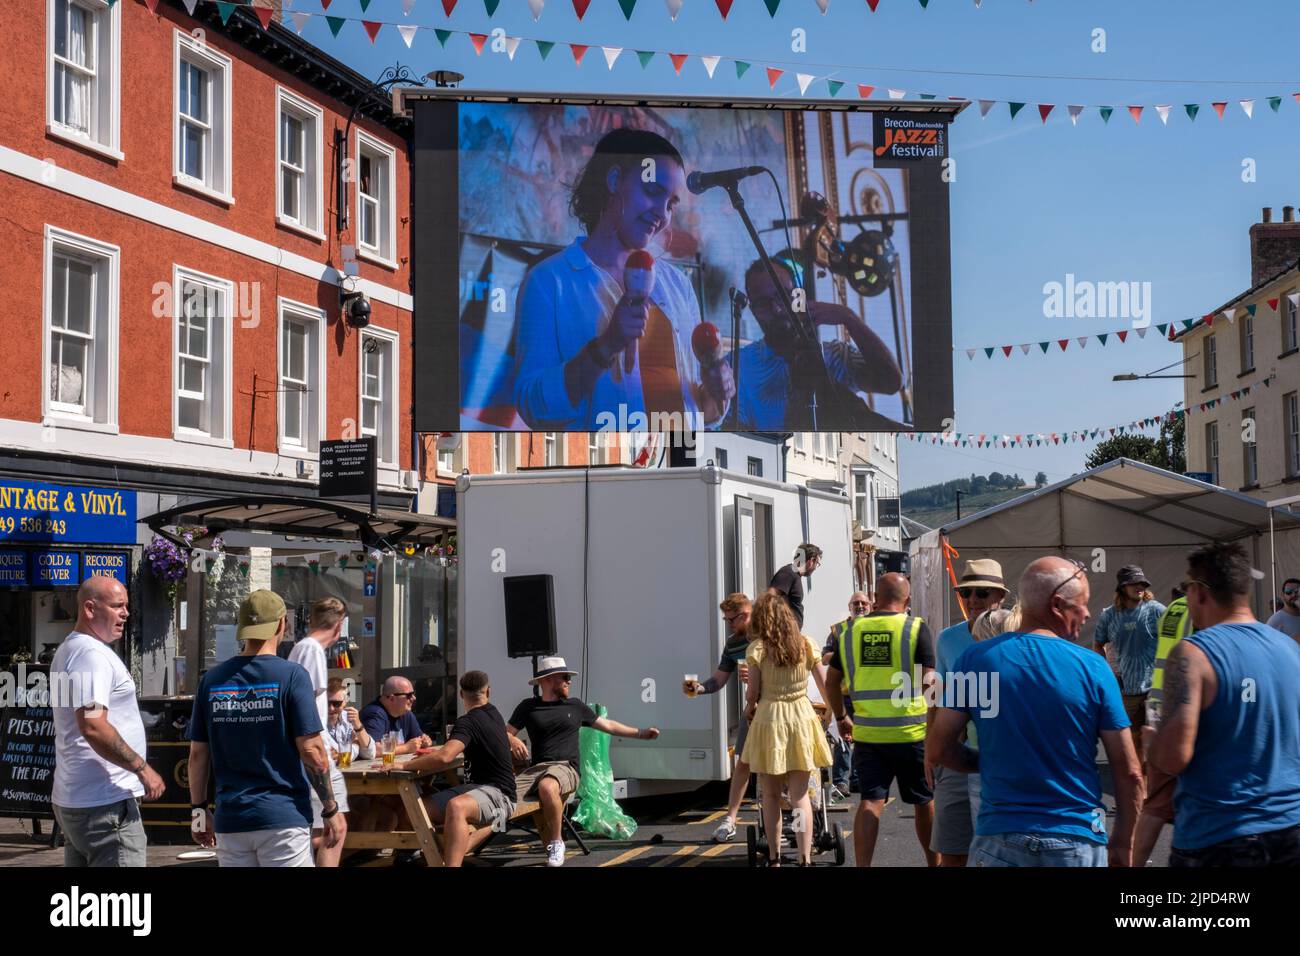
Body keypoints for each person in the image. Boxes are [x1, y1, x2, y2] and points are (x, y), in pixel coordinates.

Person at [512, 127, 734, 430]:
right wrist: (606, 346)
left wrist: (717, 392)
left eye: (670, 204)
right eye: (653, 192)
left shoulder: (679, 286)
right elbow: (533, 405)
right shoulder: (549, 282)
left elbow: (701, 411)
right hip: (605, 471)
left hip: (683, 467)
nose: (662, 214)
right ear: (615, 180)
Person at [928, 558, 1142, 867]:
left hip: (999, 839)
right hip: (1077, 840)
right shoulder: (1094, 668)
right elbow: (1130, 771)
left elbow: (939, 747)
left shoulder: (975, 660)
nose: (1087, 613)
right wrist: (1123, 842)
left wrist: (989, 761)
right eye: (1081, 605)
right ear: (1057, 605)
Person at [1151, 543, 1300, 867]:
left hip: (1220, 837)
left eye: (1189, 587)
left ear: (1200, 592)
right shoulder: (1291, 649)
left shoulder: (1192, 654)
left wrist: (1153, 741)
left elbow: (1172, 757)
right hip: (1291, 829)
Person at [187, 590, 340, 867]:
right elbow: (312, 750)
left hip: (232, 819)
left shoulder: (212, 680)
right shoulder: (292, 676)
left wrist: (199, 810)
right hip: (282, 818)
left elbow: (198, 754)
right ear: (282, 624)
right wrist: (330, 808)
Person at [50, 576, 165, 868]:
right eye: (117, 606)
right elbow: (92, 725)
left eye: (126, 606)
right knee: (118, 909)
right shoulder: (90, 654)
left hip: (82, 798)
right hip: (103, 803)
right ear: (90, 609)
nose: (126, 613)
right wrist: (142, 768)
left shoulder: (70, 650)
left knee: (90, 909)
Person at [825, 572, 937, 867]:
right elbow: (929, 682)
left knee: (870, 801)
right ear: (907, 600)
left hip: (869, 734)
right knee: (924, 801)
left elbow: (831, 681)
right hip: (911, 733)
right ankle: (934, 863)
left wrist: (841, 716)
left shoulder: (848, 633)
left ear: (874, 599)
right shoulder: (914, 628)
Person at [507, 657, 659, 867]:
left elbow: (609, 726)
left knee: (547, 786)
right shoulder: (528, 707)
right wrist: (512, 738)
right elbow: (504, 733)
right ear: (549, 680)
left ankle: (556, 843)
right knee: (501, 797)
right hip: (536, 769)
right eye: (565, 677)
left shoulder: (575, 706)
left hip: (566, 768)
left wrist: (641, 733)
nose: (569, 681)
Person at [733, 251, 903, 431]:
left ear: (799, 297)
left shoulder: (834, 355)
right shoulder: (740, 365)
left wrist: (849, 317)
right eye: (762, 303)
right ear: (753, 311)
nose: (775, 309)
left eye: (783, 295)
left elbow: (890, 382)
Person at [377, 670, 516, 867]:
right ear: (488, 692)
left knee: (456, 807)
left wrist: (403, 765)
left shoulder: (468, 722)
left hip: (500, 795)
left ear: (460, 695)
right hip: (478, 789)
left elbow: (445, 756)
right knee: (413, 811)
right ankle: (433, 854)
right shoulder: (493, 712)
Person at [739, 593, 832, 866]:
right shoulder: (806, 644)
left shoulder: (757, 649)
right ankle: (804, 858)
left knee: (769, 795)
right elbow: (825, 684)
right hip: (801, 717)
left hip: (770, 718)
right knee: (800, 795)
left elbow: (753, 694)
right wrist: (831, 712)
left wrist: (748, 707)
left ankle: (774, 857)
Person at [927, 558, 1007, 868]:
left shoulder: (1018, 634)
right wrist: (929, 752)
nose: (972, 600)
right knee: (954, 851)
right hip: (957, 759)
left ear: (1000, 596)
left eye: (982, 593)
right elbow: (937, 696)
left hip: (1005, 763)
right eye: (966, 593)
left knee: (998, 854)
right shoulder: (948, 638)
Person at [684, 592, 754, 843]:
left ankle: (791, 814)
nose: (729, 625)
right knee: (742, 762)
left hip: (777, 707)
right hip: (753, 710)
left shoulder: (769, 634)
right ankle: (730, 819)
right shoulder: (734, 644)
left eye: (731, 620)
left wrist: (758, 677)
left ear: (746, 615)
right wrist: (699, 688)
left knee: (782, 765)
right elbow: (718, 679)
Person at [288, 597, 350, 867]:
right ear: (339, 626)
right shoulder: (311, 650)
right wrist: (322, 743)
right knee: (334, 830)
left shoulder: (302, 648)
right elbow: (305, 706)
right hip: (315, 753)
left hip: (308, 750)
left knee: (316, 832)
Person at [1133, 588, 1193, 867]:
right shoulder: (1198, 608)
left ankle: (1129, 862)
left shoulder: (1170, 609)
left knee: (1156, 801)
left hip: (1159, 700)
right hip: (1182, 703)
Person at [1092, 565, 1165, 770]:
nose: (1139, 586)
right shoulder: (1110, 615)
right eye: (1134, 583)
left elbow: (1175, 640)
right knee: (1133, 745)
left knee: (1157, 744)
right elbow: (1098, 644)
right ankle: (1140, 794)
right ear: (1122, 587)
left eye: (1142, 583)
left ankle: (1154, 794)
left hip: (1155, 689)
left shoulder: (1157, 610)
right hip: (1127, 689)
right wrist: (1109, 674)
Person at [822, 592, 872, 797]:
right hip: (844, 694)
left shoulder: (877, 627)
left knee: (864, 739)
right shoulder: (838, 630)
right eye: (855, 603)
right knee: (843, 739)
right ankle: (841, 781)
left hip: (868, 693)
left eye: (863, 603)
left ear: (870, 606)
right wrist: (848, 650)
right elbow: (824, 658)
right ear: (849, 607)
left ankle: (858, 779)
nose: (859, 606)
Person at [360, 677, 433, 753]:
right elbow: (372, 750)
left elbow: (419, 738)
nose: (414, 698)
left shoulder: (406, 713)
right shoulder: (374, 714)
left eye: (413, 694)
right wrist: (406, 748)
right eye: (409, 695)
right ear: (392, 698)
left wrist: (424, 741)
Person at [768, 542, 822, 629]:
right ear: (811, 561)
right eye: (817, 564)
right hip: (783, 634)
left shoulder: (794, 575)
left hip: (790, 634)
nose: (815, 568)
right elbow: (769, 598)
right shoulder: (788, 573)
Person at [326, 677, 374, 762]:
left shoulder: (348, 717)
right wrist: (356, 744)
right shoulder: (316, 720)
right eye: (326, 703)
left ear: (345, 701)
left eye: (336, 704)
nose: (331, 708)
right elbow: (340, 758)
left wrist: (358, 725)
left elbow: (370, 754)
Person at [1265, 577, 1300, 642]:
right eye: (1288, 592)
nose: (1293, 595)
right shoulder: (1275, 620)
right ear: (1282, 595)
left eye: (1297, 591)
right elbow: (1268, 647)